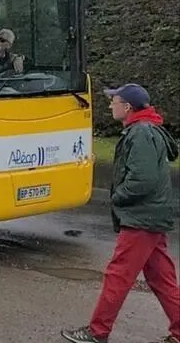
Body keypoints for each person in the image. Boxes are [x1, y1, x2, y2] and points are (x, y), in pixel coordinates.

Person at [61, 84, 179, 343]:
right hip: (150, 217)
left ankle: (97, 332)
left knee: (118, 275)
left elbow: (143, 179)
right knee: (162, 278)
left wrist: (118, 196)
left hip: (141, 218)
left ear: (127, 107)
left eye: (114, 101)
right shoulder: (145, 129)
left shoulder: (141, 133)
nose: (109, 105)